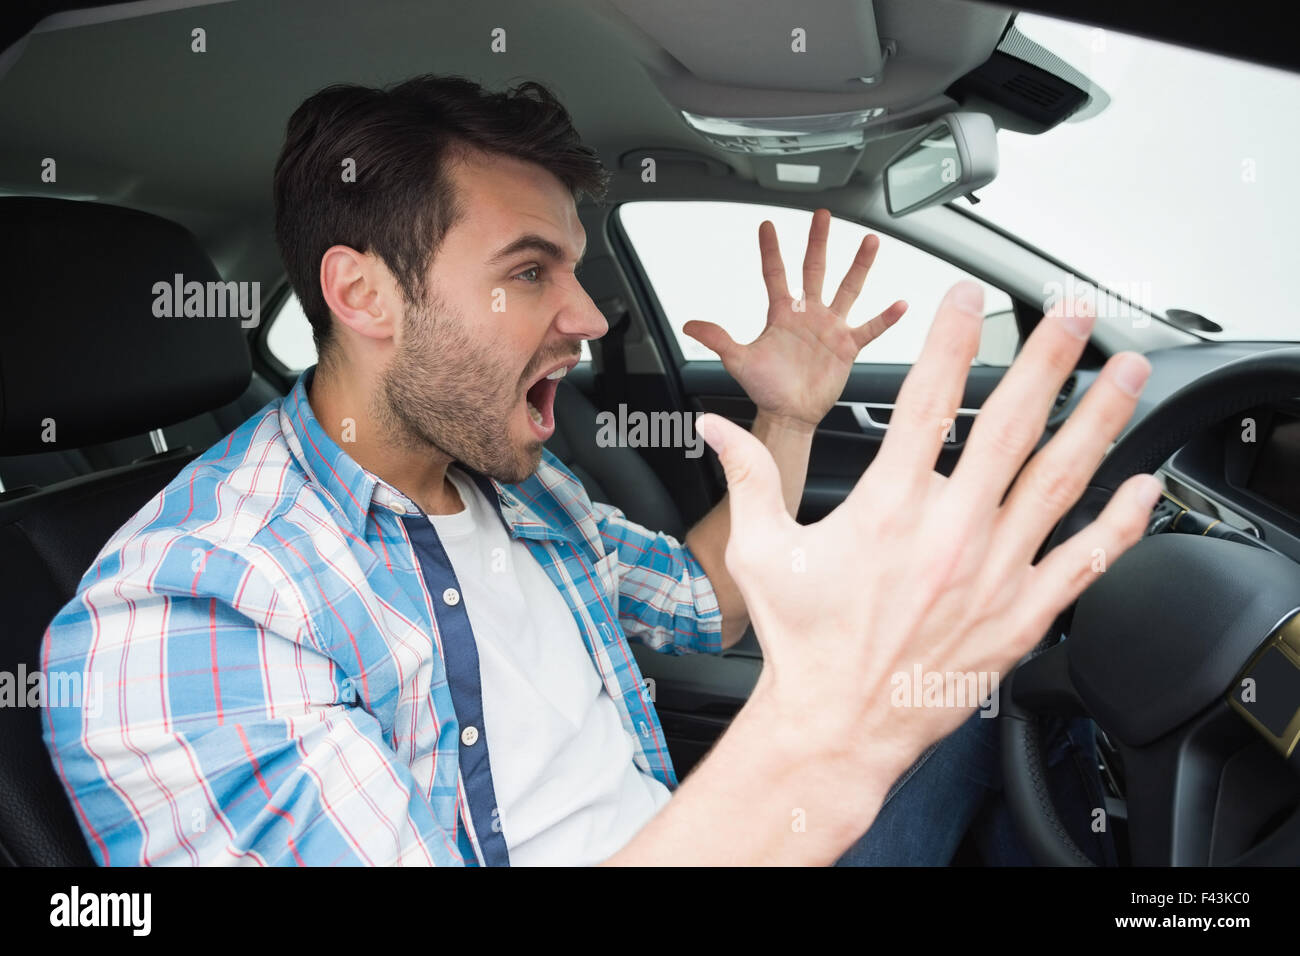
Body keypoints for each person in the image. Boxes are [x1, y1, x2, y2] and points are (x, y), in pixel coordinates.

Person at [40, 74, 1155, 866]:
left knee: (991, 690)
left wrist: (785, 417)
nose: (585, 316)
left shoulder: (515, 483)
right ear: (364, 295)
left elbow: (699, 608)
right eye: (529, 273)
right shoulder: (189, 611)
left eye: (572, 269)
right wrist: (825, 734)